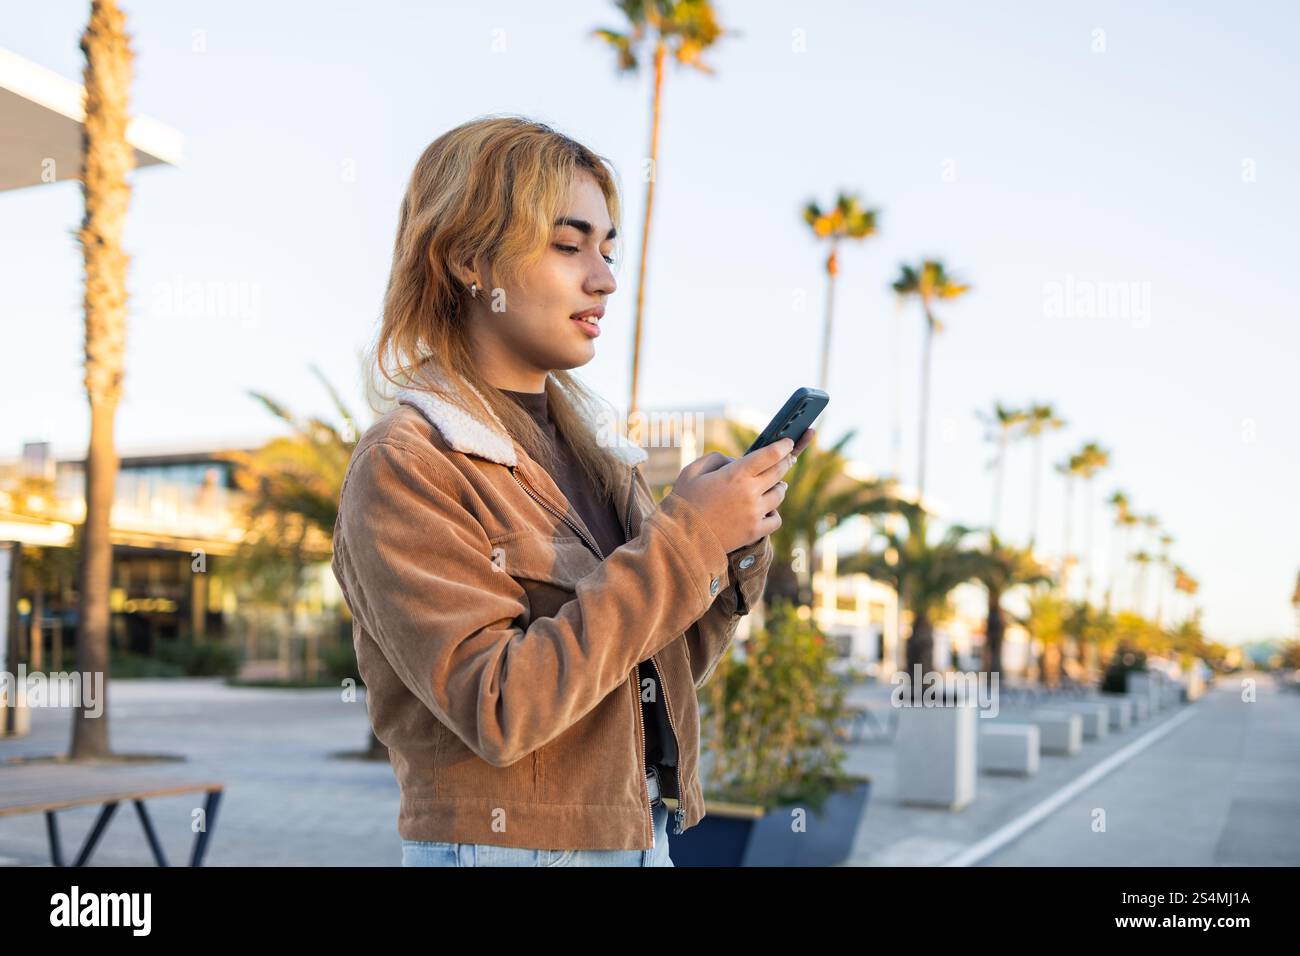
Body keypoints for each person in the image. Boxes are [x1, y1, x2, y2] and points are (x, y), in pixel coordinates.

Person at [330, 116, 811, 867]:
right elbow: (500, 708)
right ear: (467, 258)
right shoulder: (410, 462)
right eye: (568, 244)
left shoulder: (597, 459)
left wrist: (724, 547)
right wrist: (684, 539)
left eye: (608, 248)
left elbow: (645, 667)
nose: (605, 278)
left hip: (637, 835)